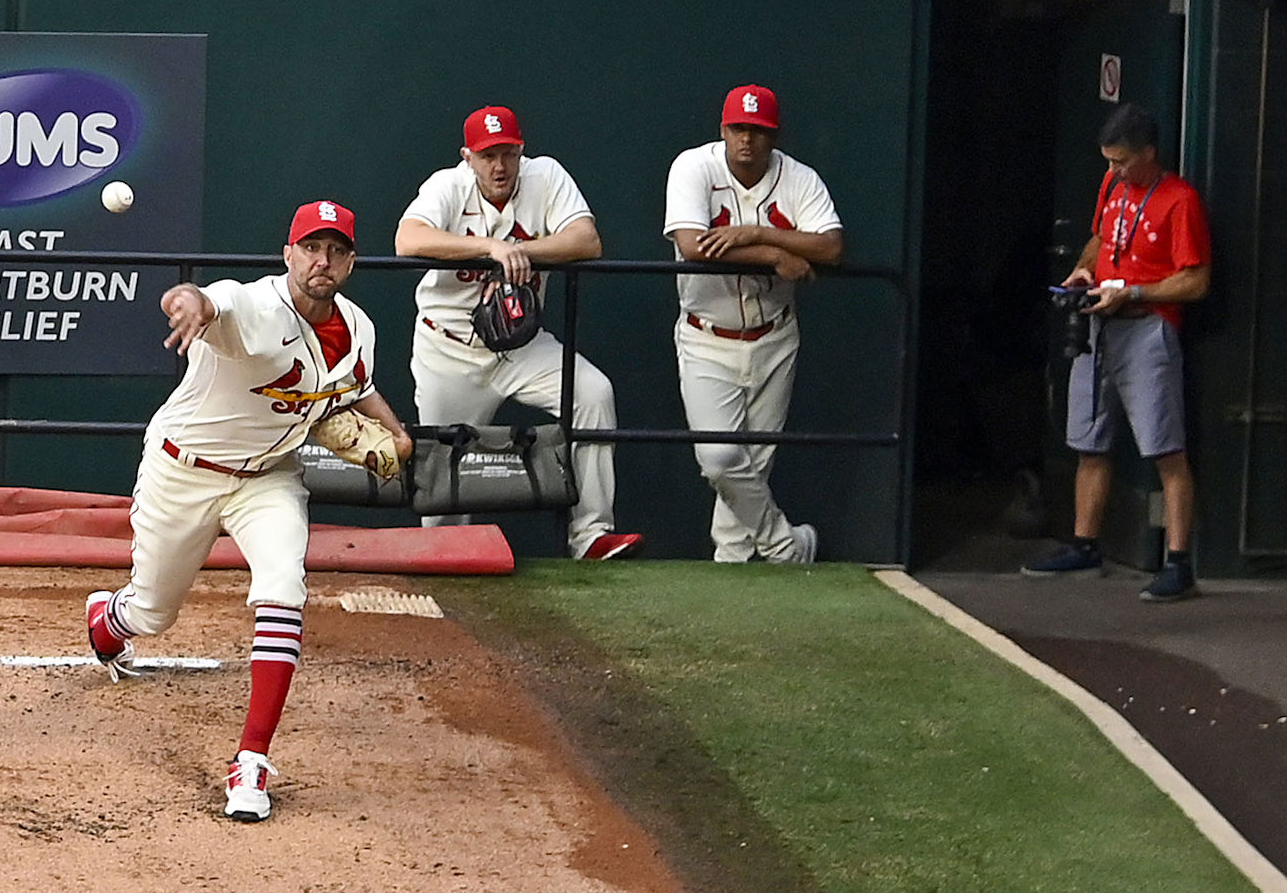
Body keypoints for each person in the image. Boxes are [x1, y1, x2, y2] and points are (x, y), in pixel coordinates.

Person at [84, 198, 400, 825]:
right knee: (153, 611)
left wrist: (396, 437)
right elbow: (207, 300)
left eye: (336, 250)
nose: (322, 260)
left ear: (351, 263)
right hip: (185, 470)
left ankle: (251, 759)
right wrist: (189, 305)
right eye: (311, 247)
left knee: (284, 587)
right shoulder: (254, 308)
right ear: (289, 255)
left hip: (269, 480)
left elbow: (359, 391)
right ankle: (111, 618)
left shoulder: (358, 327)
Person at [390, 104, 636, 561]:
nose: (499, 166)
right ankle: (445, 558)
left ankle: (591, 534)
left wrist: (521, 251)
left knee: (593, 393)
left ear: (522, 150)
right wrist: (490, 248)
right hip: (450, 347)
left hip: (521, 345)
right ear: (467, 157)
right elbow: (407, 239)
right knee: (444, 470)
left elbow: (586, 239)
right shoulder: (448, 185)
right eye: (487, 156)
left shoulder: (546, 177)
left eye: (508, 153)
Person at [1026, 102, 1209, 600]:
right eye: (1109, 161)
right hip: (1098, 323)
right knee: (1089, 440)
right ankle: (1085, 545)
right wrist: (1087, 270)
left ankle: (1177, 562)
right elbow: (1101, 238)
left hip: (1146, 327)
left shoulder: (1179, 200)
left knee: (1166, 449)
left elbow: (1195, 280)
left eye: (1122, 161)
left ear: (1149, 154)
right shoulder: (1113, 188)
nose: (1113, 171)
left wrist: (1133, 292)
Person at [662, 83, 841, 567]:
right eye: (738, 128)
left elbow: (830, 247)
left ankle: (732, 562)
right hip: (707, 334)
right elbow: (694, 245)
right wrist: (773, 254)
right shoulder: (694, 167)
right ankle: (788, 547)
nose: (747, 139)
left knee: (754, 465)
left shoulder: (799, 178)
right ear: (723, 130)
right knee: (720, 460)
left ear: (773, 136)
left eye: (758, 131)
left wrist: (758, 232)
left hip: (774, 334)